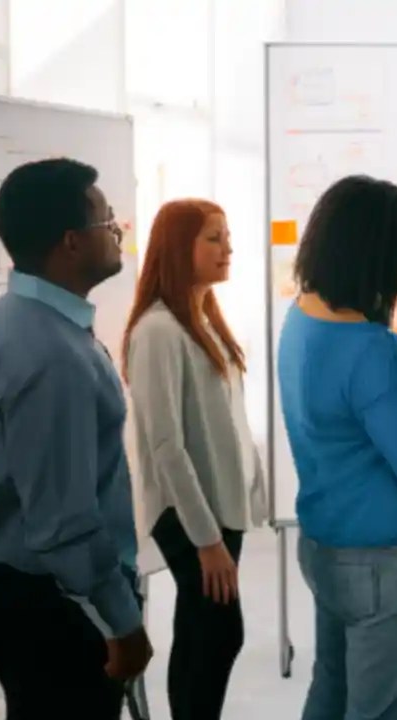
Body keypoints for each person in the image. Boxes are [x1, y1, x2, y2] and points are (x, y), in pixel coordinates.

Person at [0, 158, 152, 719]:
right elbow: (63, 521)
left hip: (19, 588)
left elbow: (5, 471)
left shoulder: (11, 319)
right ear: (71, 242)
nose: (117, 234)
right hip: (59, 606)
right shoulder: (49, 352)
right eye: (108, 222)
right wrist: (123, 621)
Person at [277, 174, 397, 720]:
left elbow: (336, 425)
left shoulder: (300, 318)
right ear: (379, 253)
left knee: (329, 693)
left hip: (323, 545)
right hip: (383, 566)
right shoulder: (375, 349)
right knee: (380, 709)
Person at [122, 199, 266, 719]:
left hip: (217, 507)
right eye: (214, 238)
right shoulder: (158, 331)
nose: (228, 248)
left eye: (227, 237)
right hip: (190, 514)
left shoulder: (203, 319)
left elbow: (226, 421)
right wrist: (206, 540)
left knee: (205, 633)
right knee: (221, 635)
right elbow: (165, 445)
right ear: (178, 247)